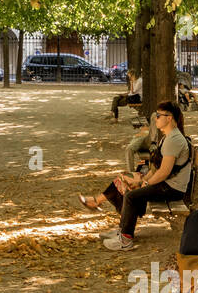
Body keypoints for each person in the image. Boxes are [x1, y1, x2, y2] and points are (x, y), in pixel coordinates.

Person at [79, 101, 192, 251]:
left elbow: (164, 172)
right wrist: (142, 180)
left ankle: (125, 240)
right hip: (166, 183)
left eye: (158, 116)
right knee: (124, 179)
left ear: (169, 118)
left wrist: (145, 184)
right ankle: (122, 228)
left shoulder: (174, 140)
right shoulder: (167, 137)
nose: (155, 119)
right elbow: (156, 167)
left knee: (132, 196)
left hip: (172, 188)